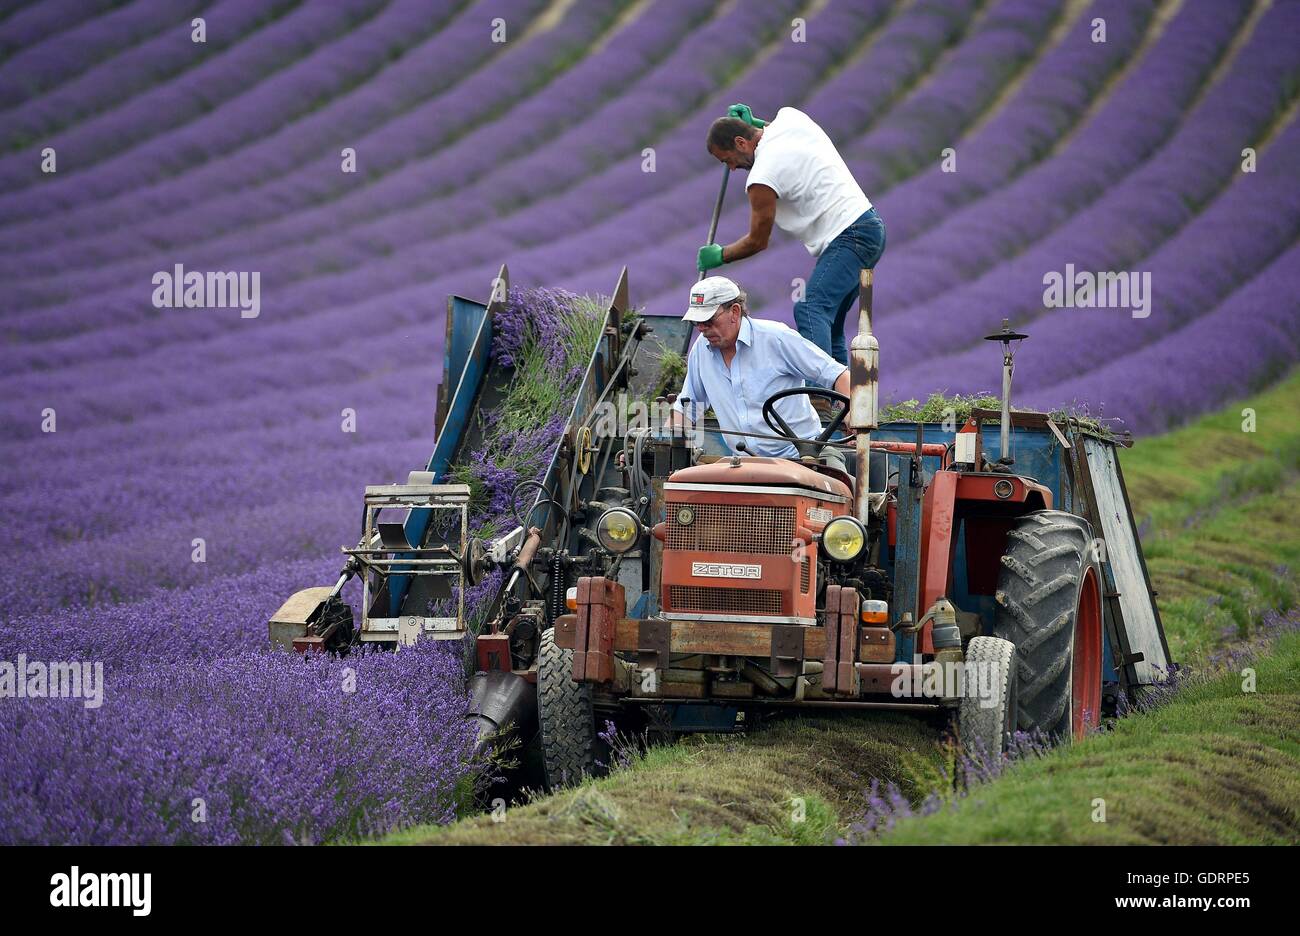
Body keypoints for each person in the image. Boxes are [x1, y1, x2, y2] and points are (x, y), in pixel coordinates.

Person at [698, 104, 885, 366]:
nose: (731, 168)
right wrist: (754, 122)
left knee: (810, 308)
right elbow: (767, 130)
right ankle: (842, 402)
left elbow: (758, 241)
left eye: (727, 159)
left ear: (740, 142)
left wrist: (720, 255)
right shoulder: (790, 119)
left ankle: (818, 397)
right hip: (869, 227)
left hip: (850, 235)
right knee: (829, 327)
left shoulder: (762, 178)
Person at [670, 276, 850, 468]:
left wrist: (854, 413)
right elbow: (687, 407)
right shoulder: (701, 351)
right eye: (697, 322)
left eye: (708, 320)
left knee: (844, 491)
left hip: (806, 454)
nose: (702, 329)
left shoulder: (775, 338)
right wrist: (663, 442)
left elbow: (838, 375)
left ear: (735, 311)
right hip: (744, 465)